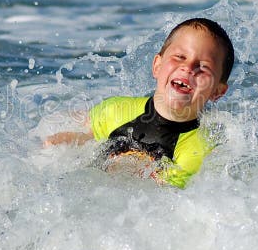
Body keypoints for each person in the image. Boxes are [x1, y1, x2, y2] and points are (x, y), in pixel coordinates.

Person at [44, 17, 234, 188]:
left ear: (217, 91)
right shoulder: (116, 110)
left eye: (203, 67)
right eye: (180, 57)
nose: (188, 68)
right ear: (157, 66)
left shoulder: (199, 150)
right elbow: (83, 136)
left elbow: (166, 197)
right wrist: (56, 146)